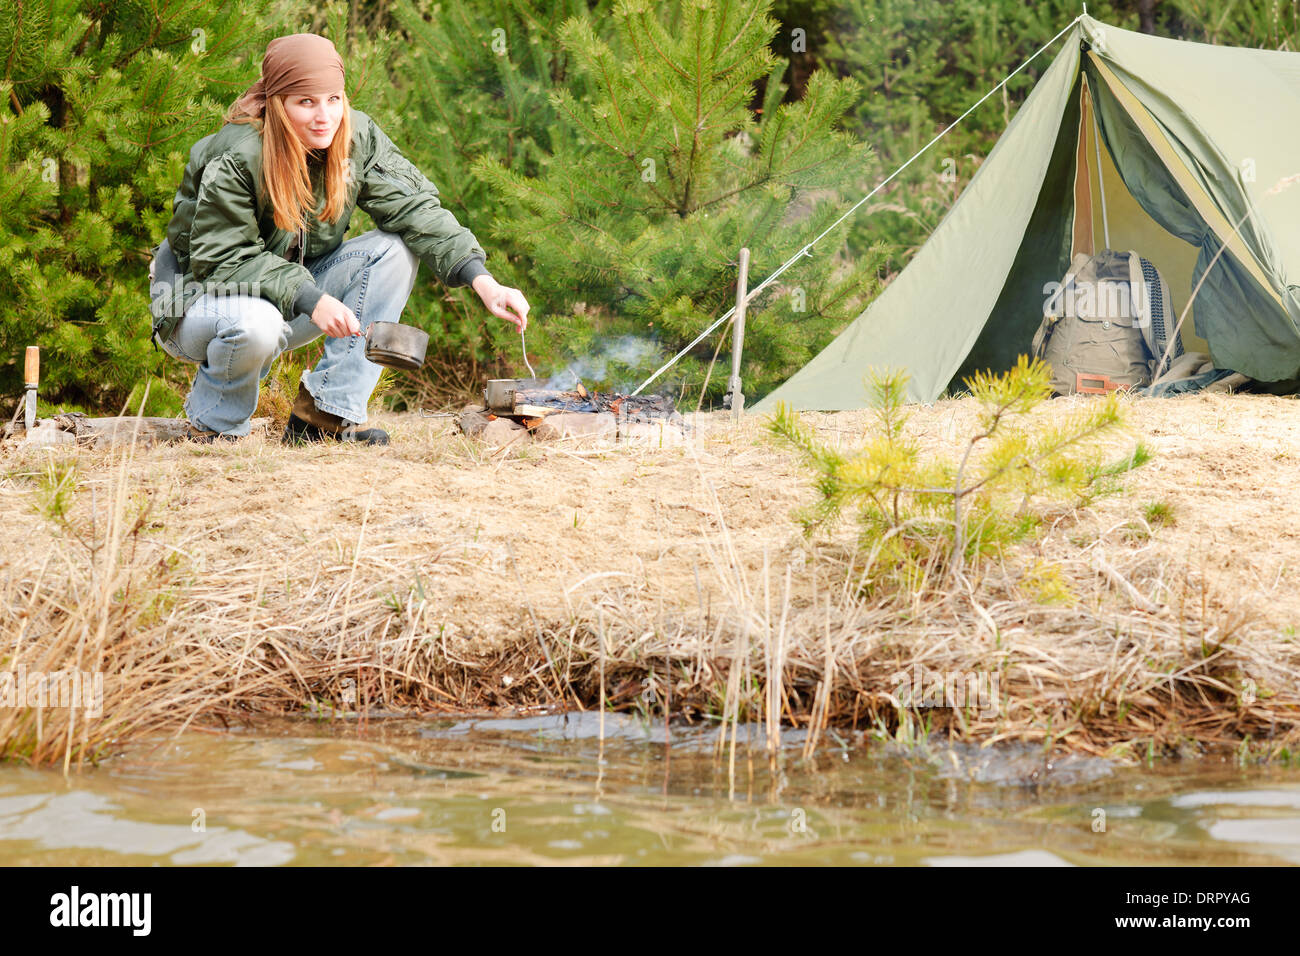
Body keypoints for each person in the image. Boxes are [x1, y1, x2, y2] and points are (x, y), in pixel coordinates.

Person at [149, 32, 529, 445]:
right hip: (197, 303)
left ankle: (325, 416)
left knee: (394, 250)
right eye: (306, 101)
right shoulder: (238, 154)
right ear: (278, 103)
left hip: (287, 300)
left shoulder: (353, 138)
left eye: (333, 98)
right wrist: (312, 299)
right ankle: (215, 426)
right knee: (257, 322)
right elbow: (224, 261)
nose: (324, 116)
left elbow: (416, 208)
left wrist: (482, 279)